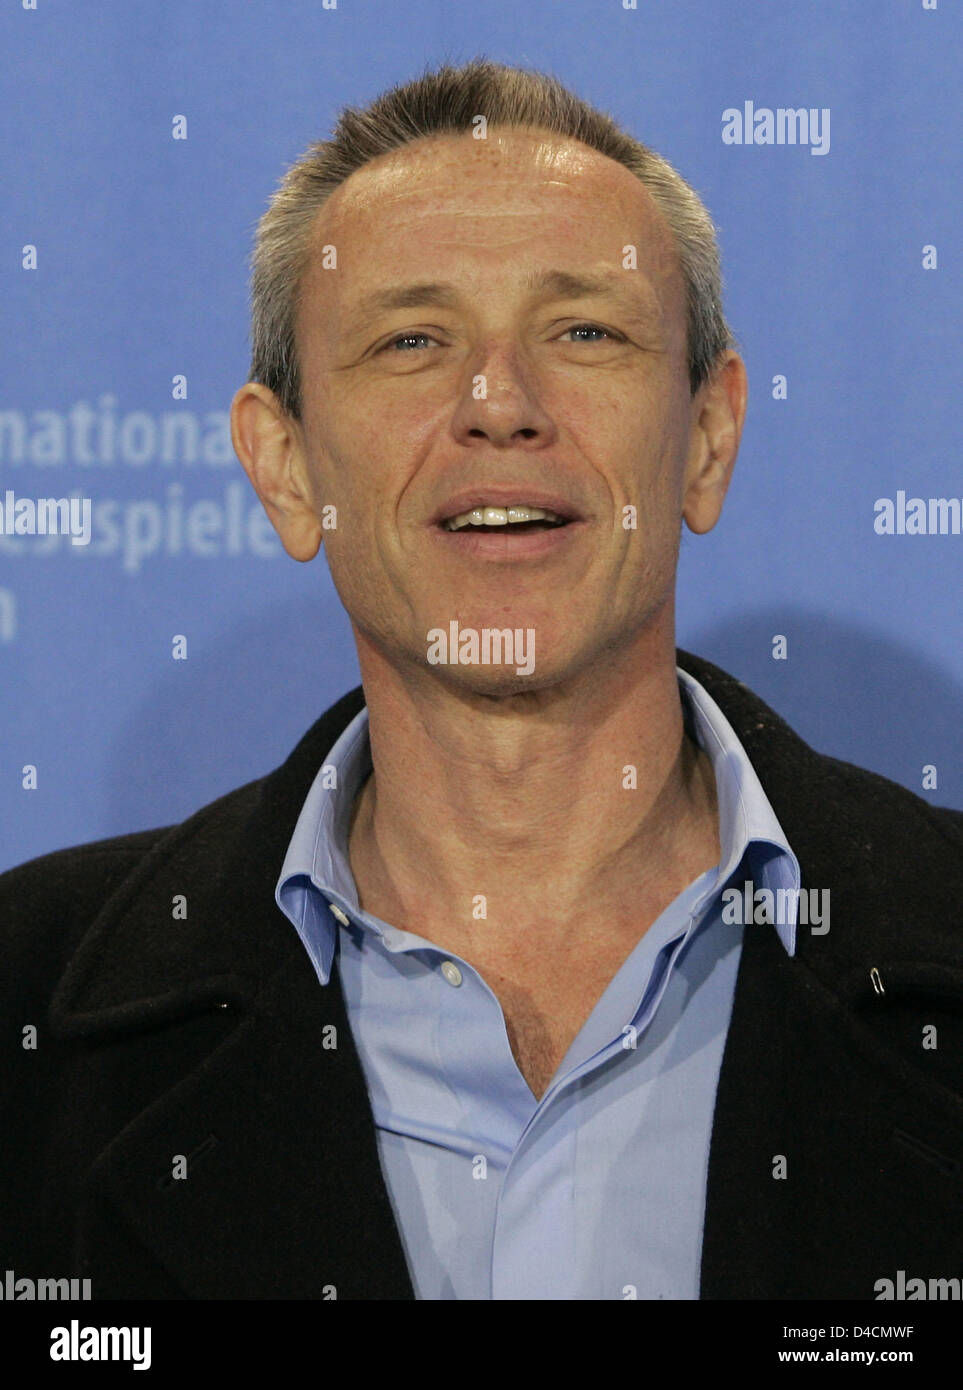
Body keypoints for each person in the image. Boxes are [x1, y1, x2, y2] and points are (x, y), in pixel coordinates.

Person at [1, 59, 959, 1303]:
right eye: (411, 339)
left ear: (709, 439)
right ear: (285, 467)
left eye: (584, 331)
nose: (499, 405)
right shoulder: (26, 1012)